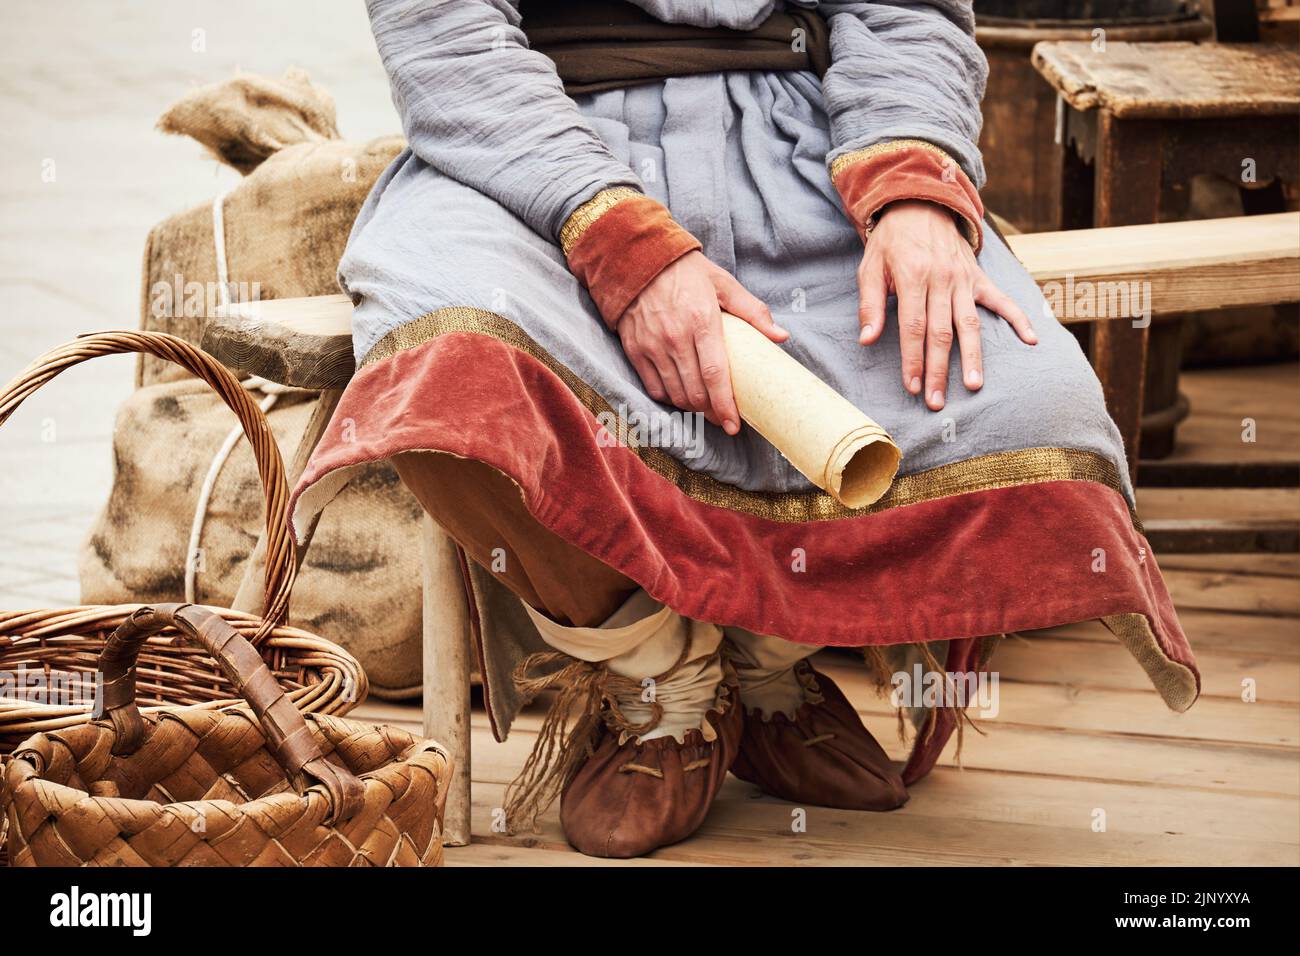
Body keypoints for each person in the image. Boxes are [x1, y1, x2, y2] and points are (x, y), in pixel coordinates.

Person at [289, 0, 1200, 858]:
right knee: (450, 378)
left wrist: (914, 191)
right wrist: (620, 241)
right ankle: (660, 682)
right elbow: (448, 42)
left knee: (1028, 402)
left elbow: (908, 13)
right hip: (530, 160)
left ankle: (770, 667)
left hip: (809, 149)